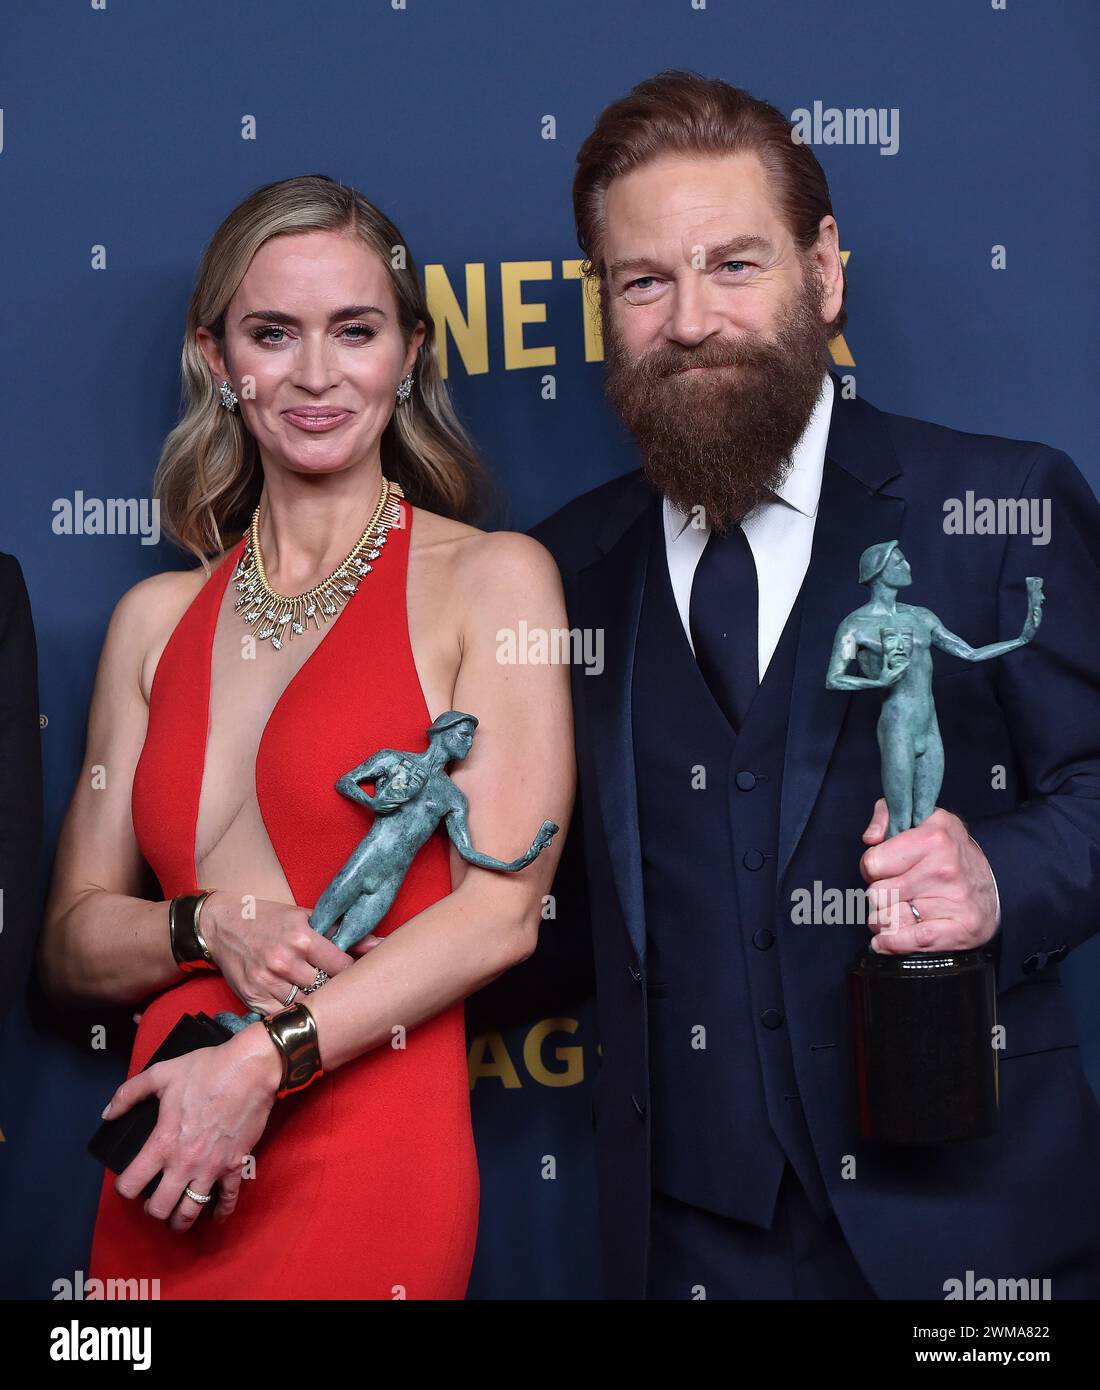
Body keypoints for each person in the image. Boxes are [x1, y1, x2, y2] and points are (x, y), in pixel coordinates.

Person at [531, 70, 1100, 1299]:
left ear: (824, 272)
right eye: (644, 281)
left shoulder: (993, 509)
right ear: (604, 308)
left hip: (969, 1230)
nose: (689, 319)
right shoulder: (563, 567)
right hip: (680, 1237)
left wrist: (998, 874)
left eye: (734, 265)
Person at [38, 173, 573, 1299]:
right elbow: (75, 944)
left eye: (355, 331)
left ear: (410, 351)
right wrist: (206, 924)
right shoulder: (152, 621)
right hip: (168, 1142)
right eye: (272, 334)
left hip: (364, 1129)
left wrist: (262, 1057)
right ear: (216, 358)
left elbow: (502, 913)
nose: (316, 375)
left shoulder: (493, 580)